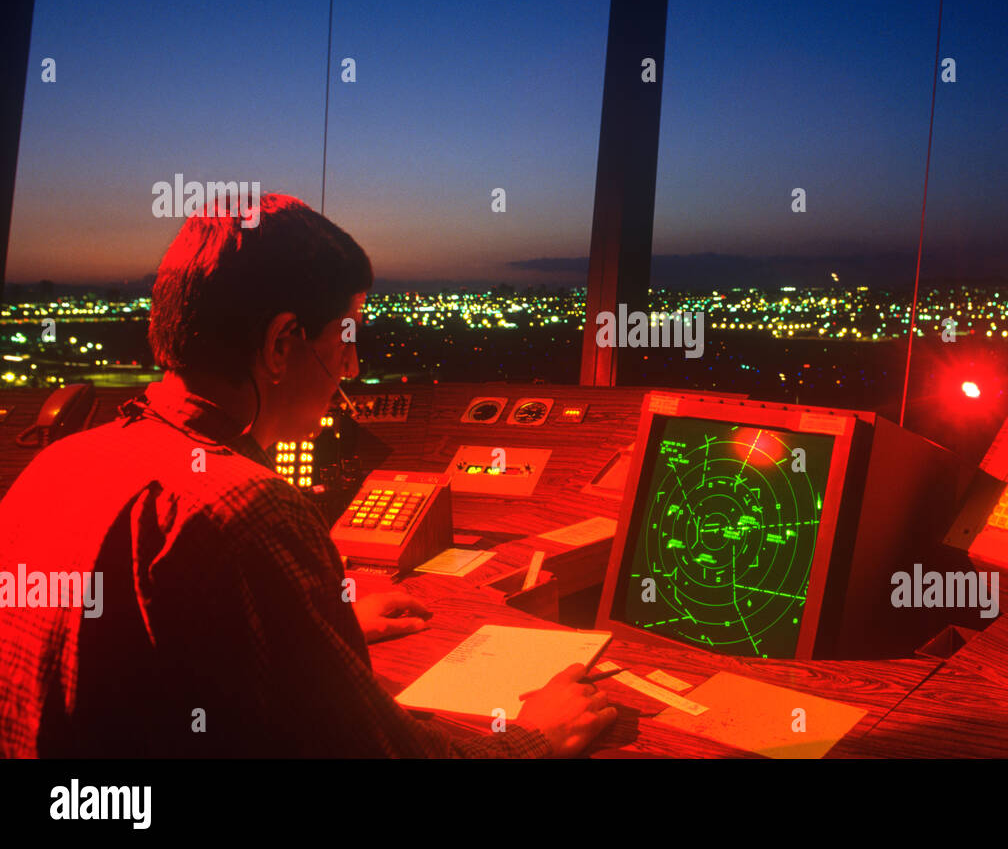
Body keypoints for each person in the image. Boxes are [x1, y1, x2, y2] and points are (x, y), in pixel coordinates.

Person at [0, 193, 616, 758]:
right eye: (345, 337)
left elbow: (158, 658)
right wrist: (537, 737)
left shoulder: (60, 463)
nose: (351, 365)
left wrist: (325, 627)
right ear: (281, 343)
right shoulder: (246, 506)